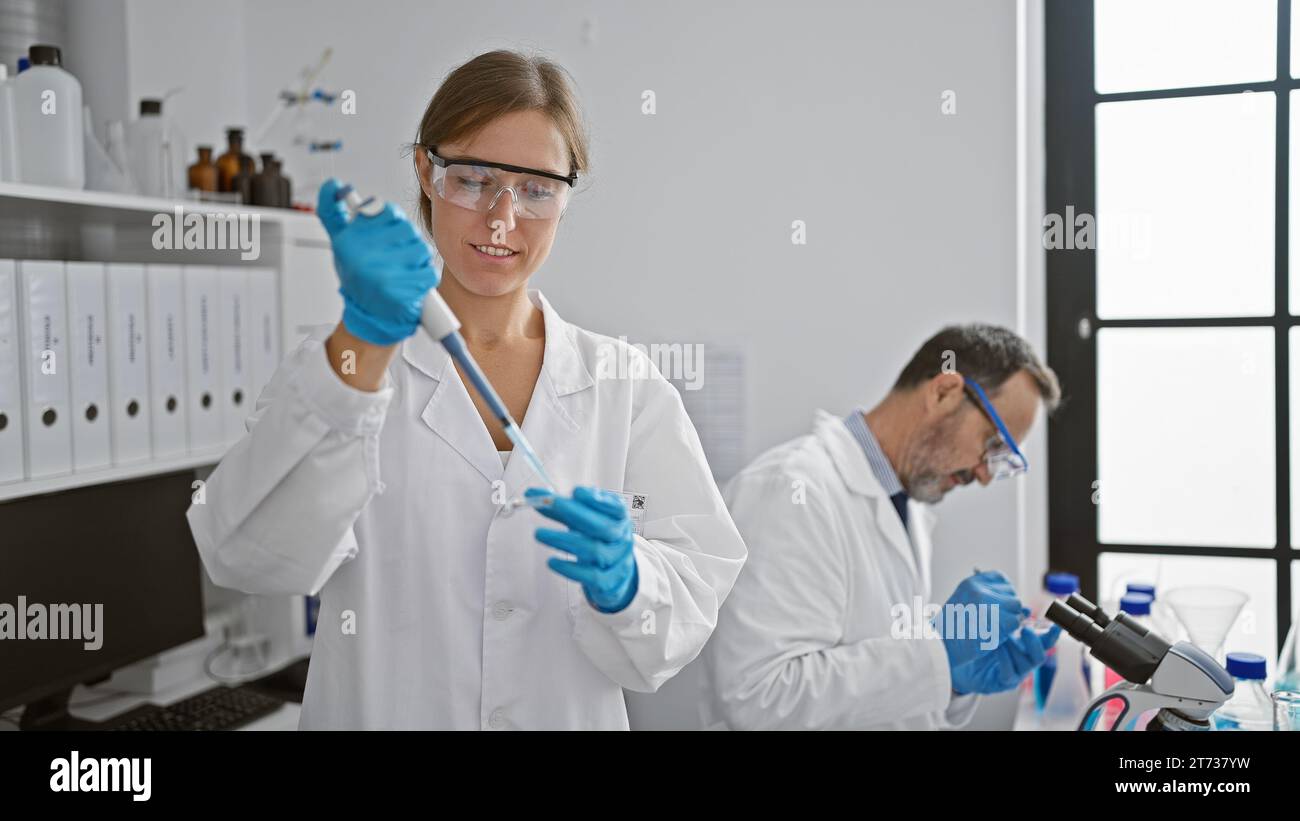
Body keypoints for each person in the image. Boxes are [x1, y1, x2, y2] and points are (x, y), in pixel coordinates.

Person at [187, 50, 746, 730]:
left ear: (568, 195)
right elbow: (241, 553)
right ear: (426, 170)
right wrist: (361, 342)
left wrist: (633, 584)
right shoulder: (347, 364)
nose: (502, 218)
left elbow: (694, 595)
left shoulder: (626, 389)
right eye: (474, 179)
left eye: (536, 188)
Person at [703, 324, 1062, 729]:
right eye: (993, 446)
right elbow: (758, 702)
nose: (983, 474)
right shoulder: (792, 490)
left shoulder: (905, 504)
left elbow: (887, 695)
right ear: (944, 393)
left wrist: (953, 682)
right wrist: (937, 654)